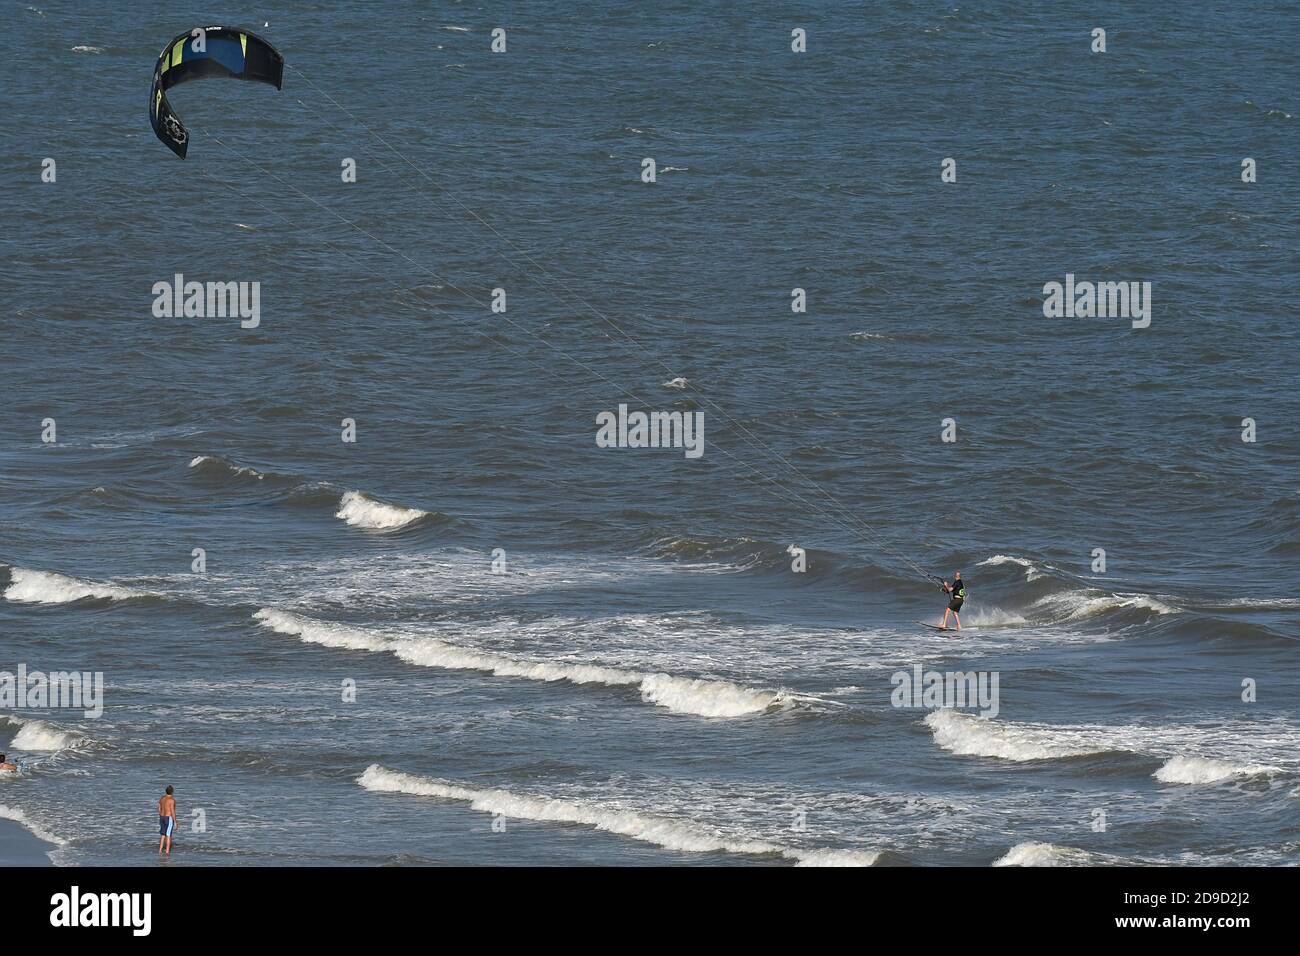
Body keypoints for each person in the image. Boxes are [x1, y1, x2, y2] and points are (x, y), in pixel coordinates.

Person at [158, 785, 177, 855]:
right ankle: (167, 851)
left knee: (163, 835)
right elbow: (172, 811)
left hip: (162, 817)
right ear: (172, 792)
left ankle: (160, 850)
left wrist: (161, 816)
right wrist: (175, 822)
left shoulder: (162, 798)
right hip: (168, 818)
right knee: (168, 835)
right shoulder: (172, 800)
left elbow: (159, 809)